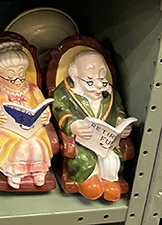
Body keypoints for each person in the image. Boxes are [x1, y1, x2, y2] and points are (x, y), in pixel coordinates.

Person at [52, 49, 132, 201]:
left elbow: (119, 109)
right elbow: (60, 110)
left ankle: (109, 179)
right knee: (83, 157)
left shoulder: (110, 93)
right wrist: (73, 125)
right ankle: (88, 178)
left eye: (102, 79)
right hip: (82, 141)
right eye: (90, 81)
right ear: (75, 76)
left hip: (106, 142)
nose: (97, 86)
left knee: (111, 159)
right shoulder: (64, 92)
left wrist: (121, 123)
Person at [0, 42, 53, 188]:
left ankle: (38, 171)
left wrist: (45, 115)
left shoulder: (33, 89)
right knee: (20, 145)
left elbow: (43, 106)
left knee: (37, 143)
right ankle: (15, 173)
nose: (17, 81)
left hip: (33, 128)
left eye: (21, 75)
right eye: (11, 78)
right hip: (7, 129)